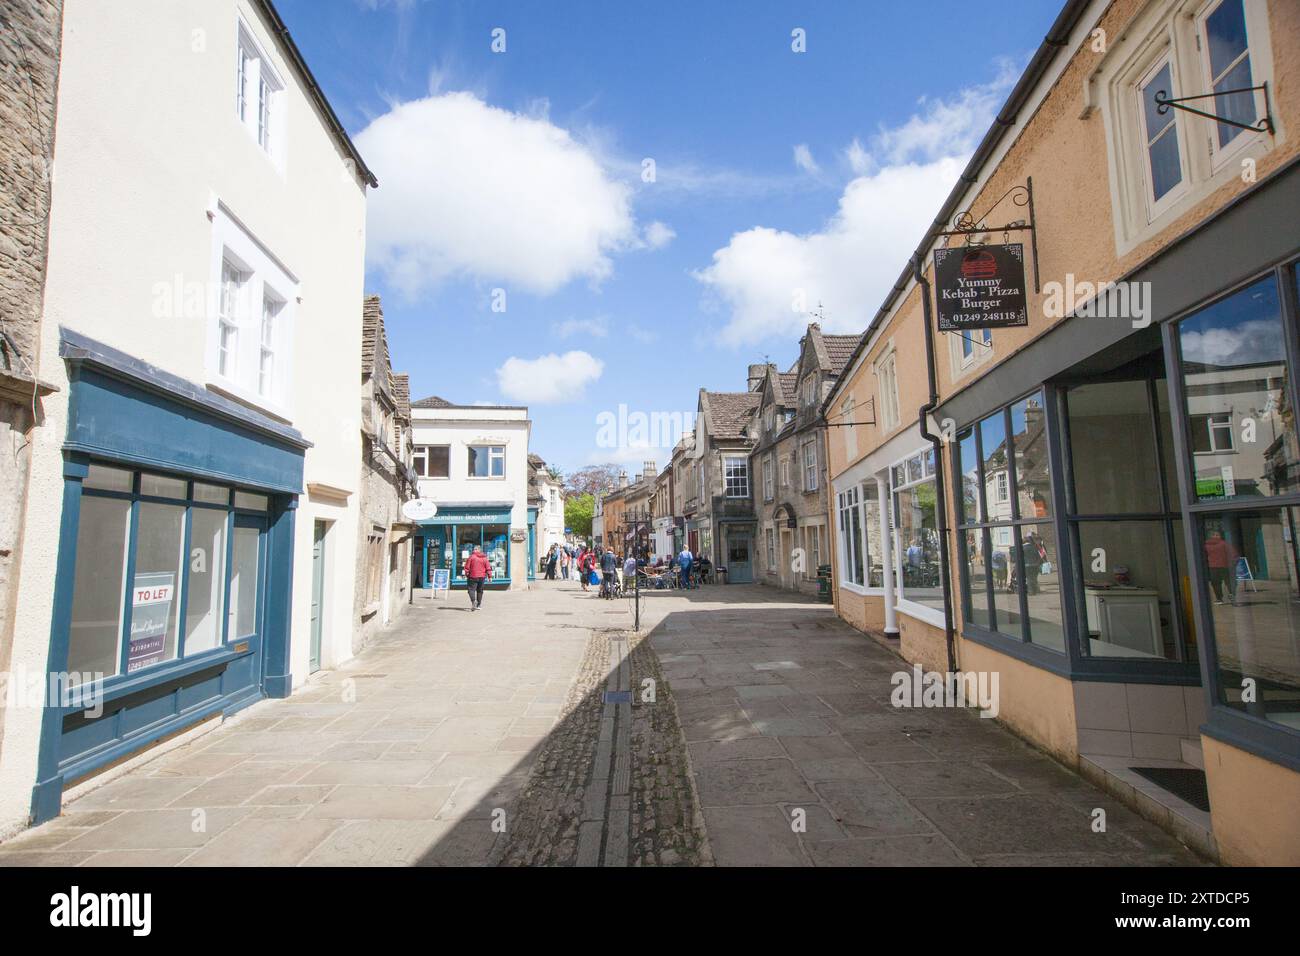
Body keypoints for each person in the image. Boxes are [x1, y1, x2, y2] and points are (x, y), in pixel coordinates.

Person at [1204, 529, 1239, 605]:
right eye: (1215, 535)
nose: (1216, 537)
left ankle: (1219, 598)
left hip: (1212, 567)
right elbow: (1234, 554)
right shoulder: (1224, 544)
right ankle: (1231, 594)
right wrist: (1233, 564)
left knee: (1215, 583)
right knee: (1229, 581)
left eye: (1217, 535)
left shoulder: (1206, 545)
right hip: (1225, 566)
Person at [463, 545, 492, 611]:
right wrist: (490, 576)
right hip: (482, 577)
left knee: (471, 590)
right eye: (474, 549)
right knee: (480, 590)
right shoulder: (484, 558)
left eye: (475, 549)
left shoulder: (471, 557)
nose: (474, 550)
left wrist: (467, 574)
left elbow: (467, 567)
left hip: (473, 576)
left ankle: (474, 602)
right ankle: (479, 605)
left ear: (479, 550)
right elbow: (488, 568)